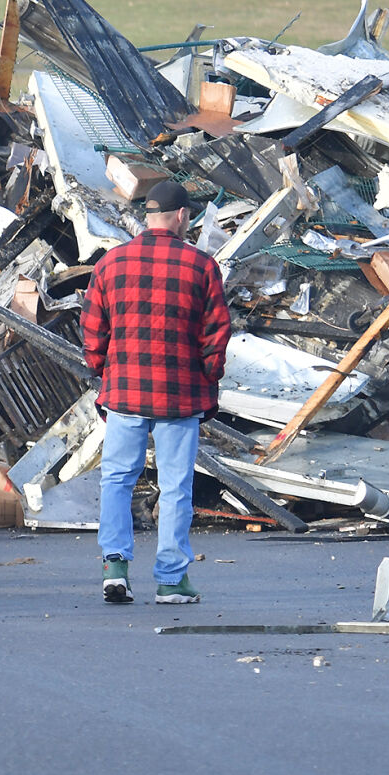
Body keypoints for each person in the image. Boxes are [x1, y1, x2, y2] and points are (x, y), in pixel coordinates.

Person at [81, 179, 231, 606]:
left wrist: (103, 370)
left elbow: (92, 328)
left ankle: (114, 568)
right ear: (182, 216)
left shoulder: (111, 263)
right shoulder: (201, 265)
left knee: (117, 479)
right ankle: (170, 580)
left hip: (125, 391)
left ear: (147, 217)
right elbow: (216, 334)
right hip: (179, 395)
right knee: (176, 486)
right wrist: (207, 377)